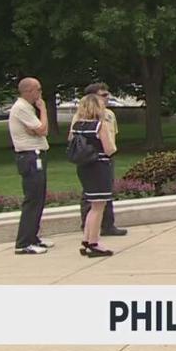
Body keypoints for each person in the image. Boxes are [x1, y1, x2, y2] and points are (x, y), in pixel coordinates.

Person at [73, 83, 127, 236]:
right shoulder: (82, 118)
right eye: (103, 95)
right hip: (95, 160)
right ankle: (90, 233)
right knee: (93, 199)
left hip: (102, 161)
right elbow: (75, 139)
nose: (107, 98)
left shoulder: (109, 115)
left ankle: (107, 225)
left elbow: (113, 134)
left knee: (106, 194)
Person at [8, 77, 53, 254]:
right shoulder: (21, 108)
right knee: (33, 199)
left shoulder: (27, 108)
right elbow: (43, 130)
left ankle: (33, 237)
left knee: (39, 198)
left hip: (37, 154)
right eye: (38, 89)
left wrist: (37, 129)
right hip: (30, 156)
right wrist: (43, 109)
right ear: (28, 91)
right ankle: (23, 242)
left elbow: (38, 130)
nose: (40, 93)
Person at [70, 93, 118, 256]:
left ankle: (86, 238)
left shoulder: (77, 125)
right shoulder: (100, 126)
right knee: (99, 206)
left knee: (92, 203)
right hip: (99, 166)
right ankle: (94, 242)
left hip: (84, 167)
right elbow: (109, 149)